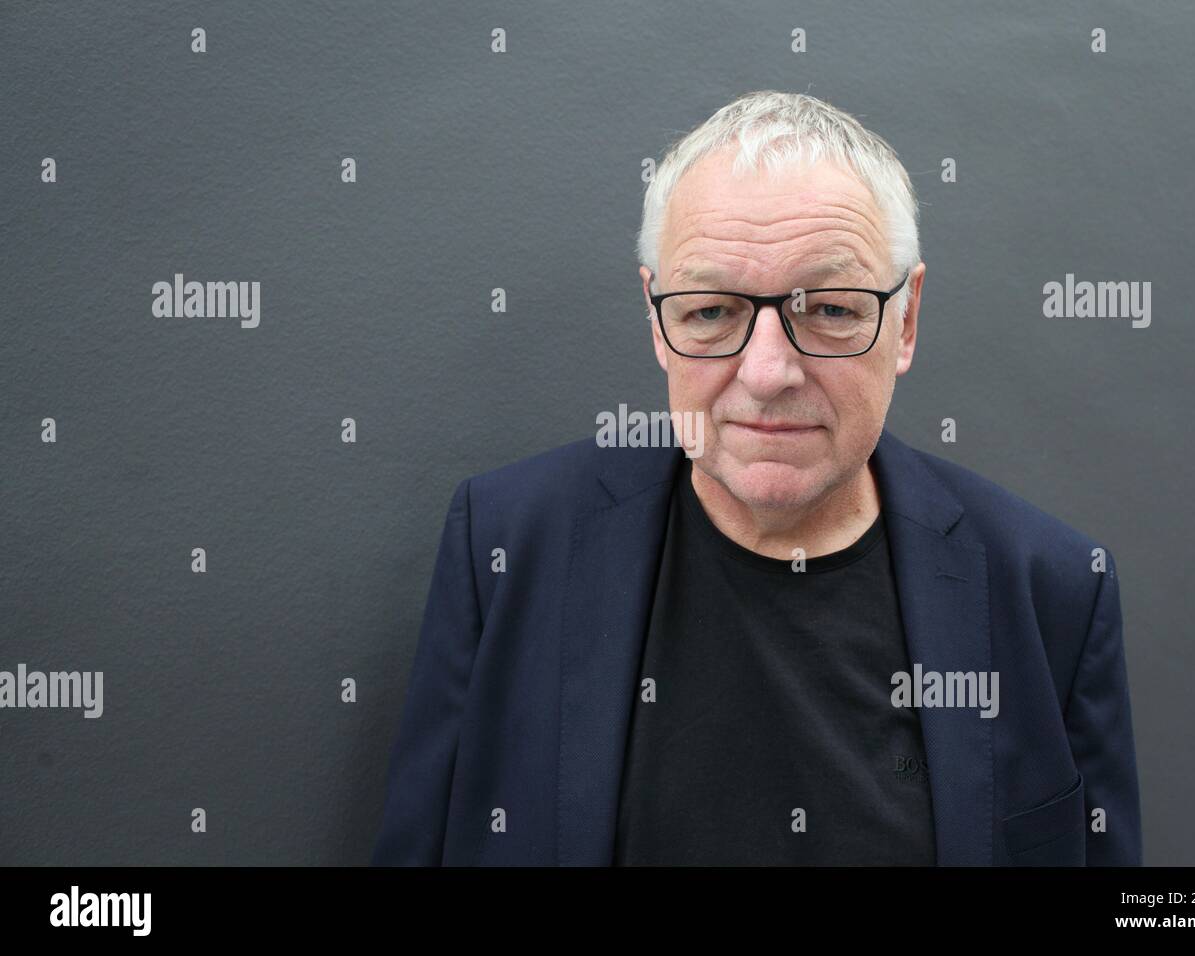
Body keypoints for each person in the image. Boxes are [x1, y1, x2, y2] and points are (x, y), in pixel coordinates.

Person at [371, 90, 1141, 866]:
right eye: (710, 312)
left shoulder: (1053, 589)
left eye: (831, 310)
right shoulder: (506, 544)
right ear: (656, 319)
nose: (768, 371)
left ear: (905, 321)